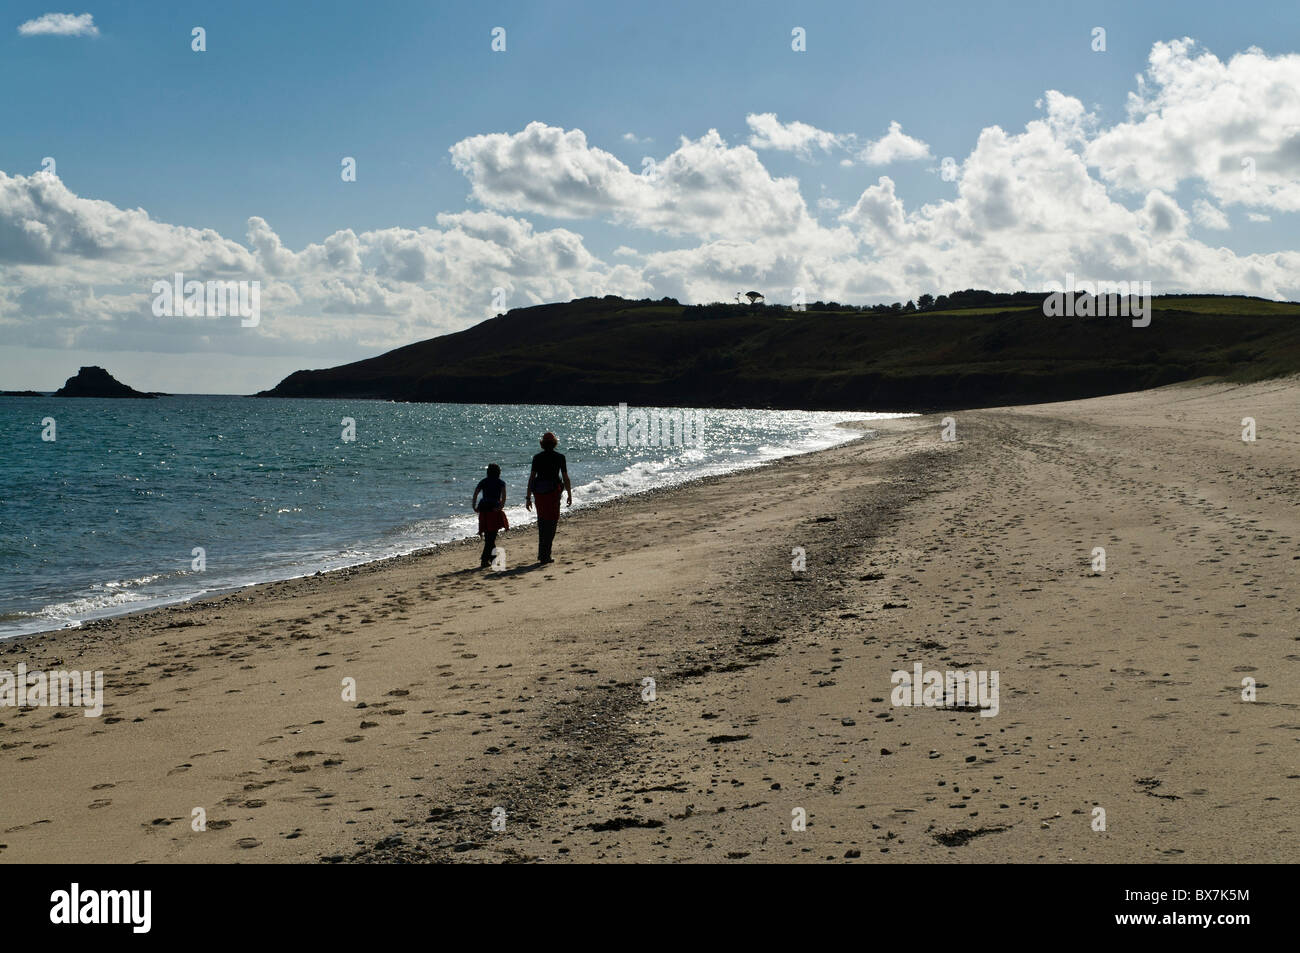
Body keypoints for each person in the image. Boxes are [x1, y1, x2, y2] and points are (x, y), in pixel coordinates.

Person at [525, 432, 571, 564]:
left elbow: (532, 478)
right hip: (553, 494)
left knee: (542, 522)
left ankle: (542, 554)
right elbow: (565, 477)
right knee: (552, 523)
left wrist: (528, 497)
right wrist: (569, 494)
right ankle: (546, 555)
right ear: (555, 443)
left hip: (539, 493)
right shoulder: (560, 457)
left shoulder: (537, 458)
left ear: (542, 444)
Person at [472, 463, 508, 569]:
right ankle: (484, 559)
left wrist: (474, 505)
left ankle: (492, 559)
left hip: (483, 509)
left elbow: (475, 493)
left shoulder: (483, 481)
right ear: (498, 472)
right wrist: (501, 507)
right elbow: (504, 497)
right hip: (494, 509)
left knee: (489, 536)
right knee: (491, 537)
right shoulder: (501, 483)